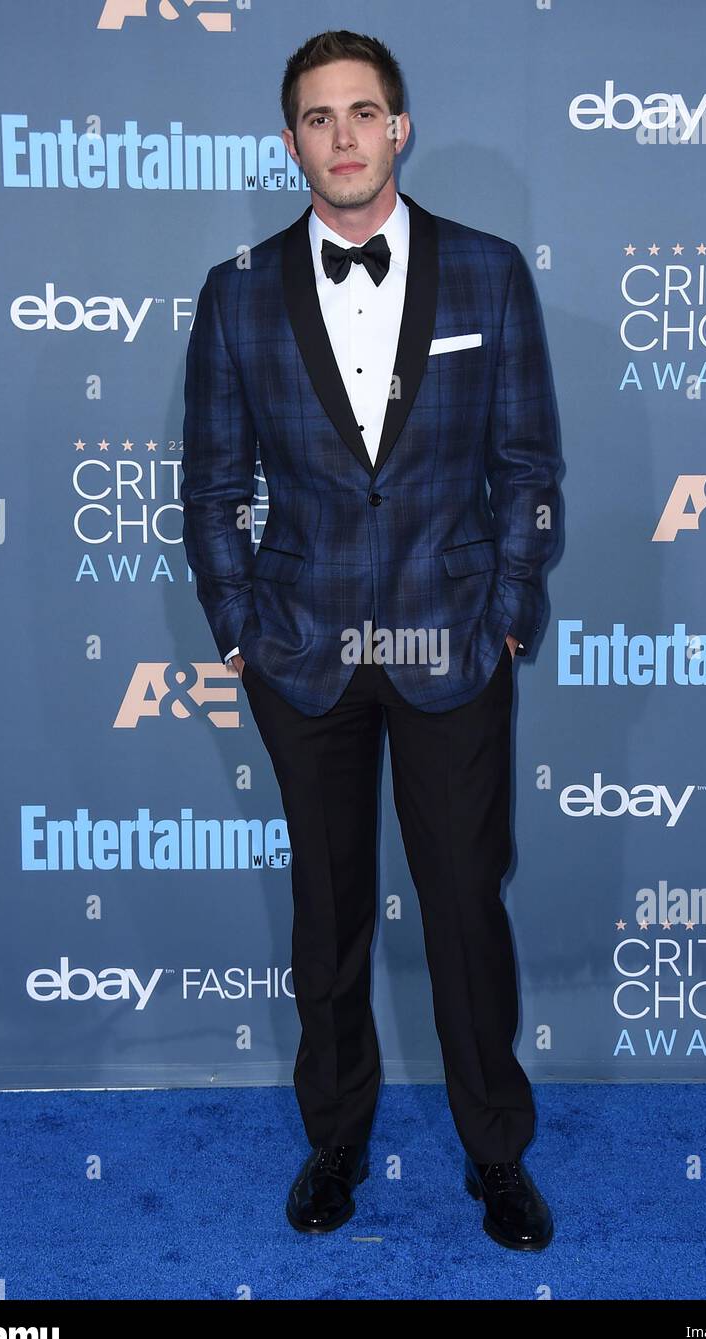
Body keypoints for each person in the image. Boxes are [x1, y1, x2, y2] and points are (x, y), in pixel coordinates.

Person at [181, 29, 563, 1252]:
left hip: (452, 645)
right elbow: (206, 487)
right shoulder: (235, 293)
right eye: (316, 118)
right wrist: (238, 627)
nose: (341, 139)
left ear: (399, 128)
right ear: (289, 140)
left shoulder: (489, 273)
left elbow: (528, 466)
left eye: (362, 114)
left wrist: (508, 608)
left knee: (463, 910)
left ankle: (494, 1154)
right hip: (302, 651)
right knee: (327, 913)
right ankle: (335, 1140)